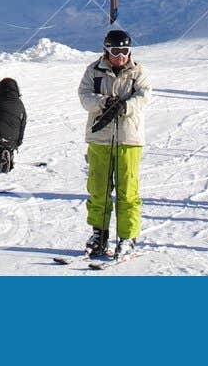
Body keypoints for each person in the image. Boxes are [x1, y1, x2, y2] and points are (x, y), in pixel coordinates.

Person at [78, 28, 152, 259]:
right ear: (106, 51)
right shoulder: (94, 70)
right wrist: (104, 102)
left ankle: (127, 237)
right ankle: (99, 234)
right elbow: (84, 96)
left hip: (129, 139)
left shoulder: (137, 72)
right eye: (115, 51)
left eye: (125, 51)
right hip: (100, 139)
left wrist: (125, 106)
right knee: (98, 188)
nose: (120, 56)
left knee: (127, 190)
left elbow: (144, 96)